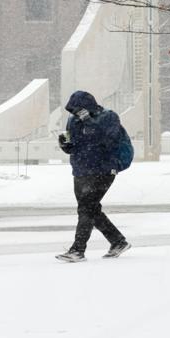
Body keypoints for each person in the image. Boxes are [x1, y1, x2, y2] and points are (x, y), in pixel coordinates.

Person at [55, 90, 132, 262]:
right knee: (91, 209)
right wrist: (66, 145)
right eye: (73, 111)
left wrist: (89, 122)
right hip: (81, 170)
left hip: (104, 169)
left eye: (79, 110)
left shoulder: (109, 117)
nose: (76, 114)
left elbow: (106, 140)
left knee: (86, 207)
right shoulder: (73, 120)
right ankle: (118, 241)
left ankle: (78, 249)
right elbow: (76, 146)